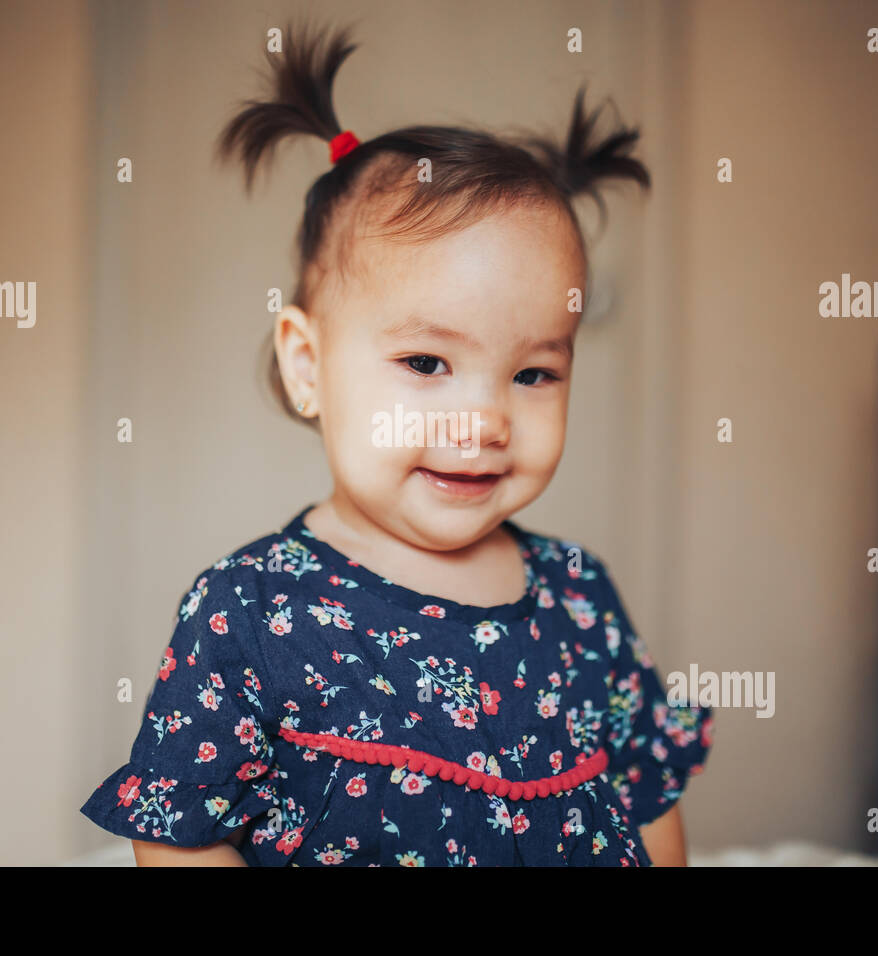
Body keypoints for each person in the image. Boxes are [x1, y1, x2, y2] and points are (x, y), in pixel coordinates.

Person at [79, 17, 713, 867]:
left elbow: (647, 809)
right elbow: (184, 845)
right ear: (308, 366)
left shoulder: (581, 600)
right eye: (426, 361)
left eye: (533, 374)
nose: (484, 421)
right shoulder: (249, 612)